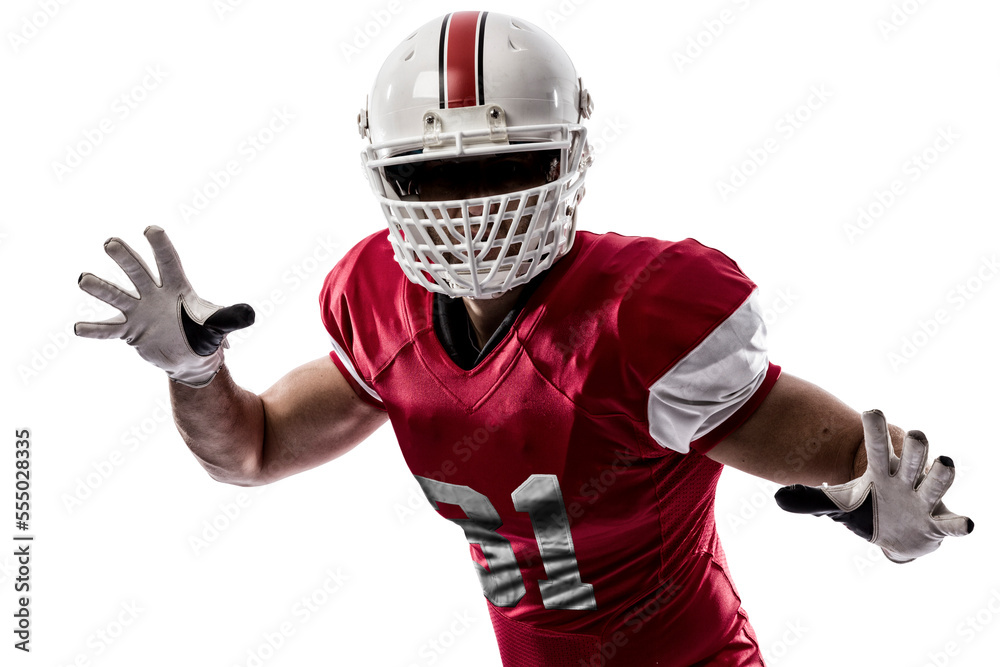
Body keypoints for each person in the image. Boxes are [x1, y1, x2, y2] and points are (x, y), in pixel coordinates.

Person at [75, 11, 972, 667]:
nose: (473, 208)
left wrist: (883, 518)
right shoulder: (378, 301)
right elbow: (253, 449)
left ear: (571, 153)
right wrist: (196, 371)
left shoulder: (639, 319)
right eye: (437, 175)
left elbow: (861, 460)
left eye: (506, 163)